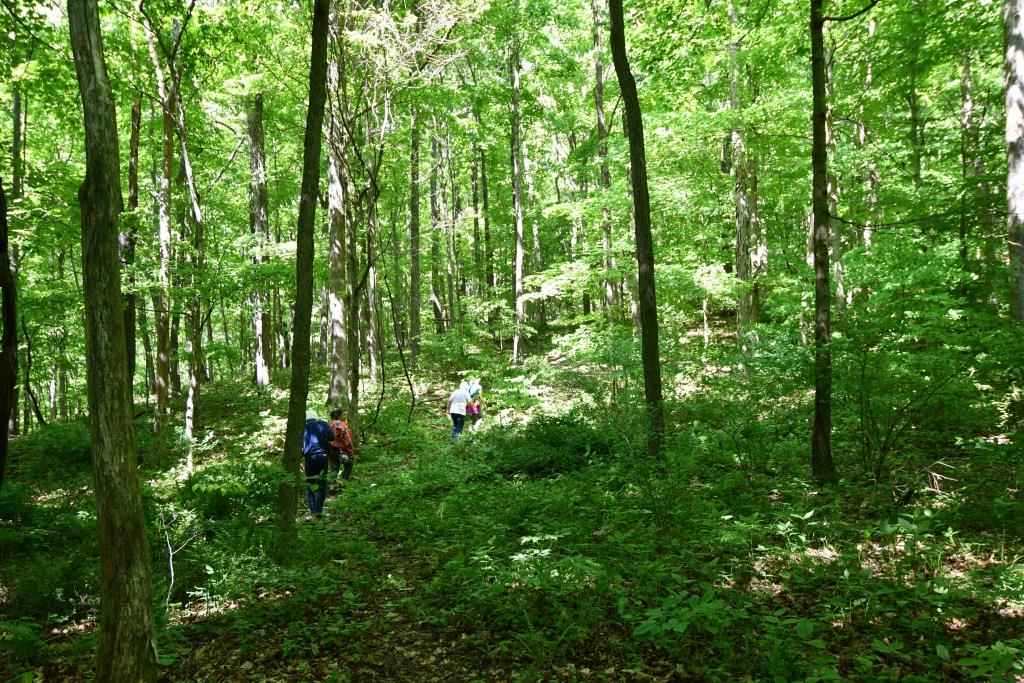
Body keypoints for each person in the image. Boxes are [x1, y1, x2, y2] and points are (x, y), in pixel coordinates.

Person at [302, 408, 334, 519]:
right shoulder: (322, 424)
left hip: (309, 458)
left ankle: (313, 510)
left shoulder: (301, 427)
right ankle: (319, 512)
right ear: (315, 416)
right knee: (322, 483)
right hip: (322, 456)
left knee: (310, 483)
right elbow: (332, 437)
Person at [329, 407, 355, 482]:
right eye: (343, 414)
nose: (345, 416)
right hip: (342, 450)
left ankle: (332, 487)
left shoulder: (330, 425)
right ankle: (343, 484)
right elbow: (346, 439)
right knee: (349, 466)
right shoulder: (341, 425)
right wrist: (351, 451)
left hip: (332, 450)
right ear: (338, 415)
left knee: (334, 469)